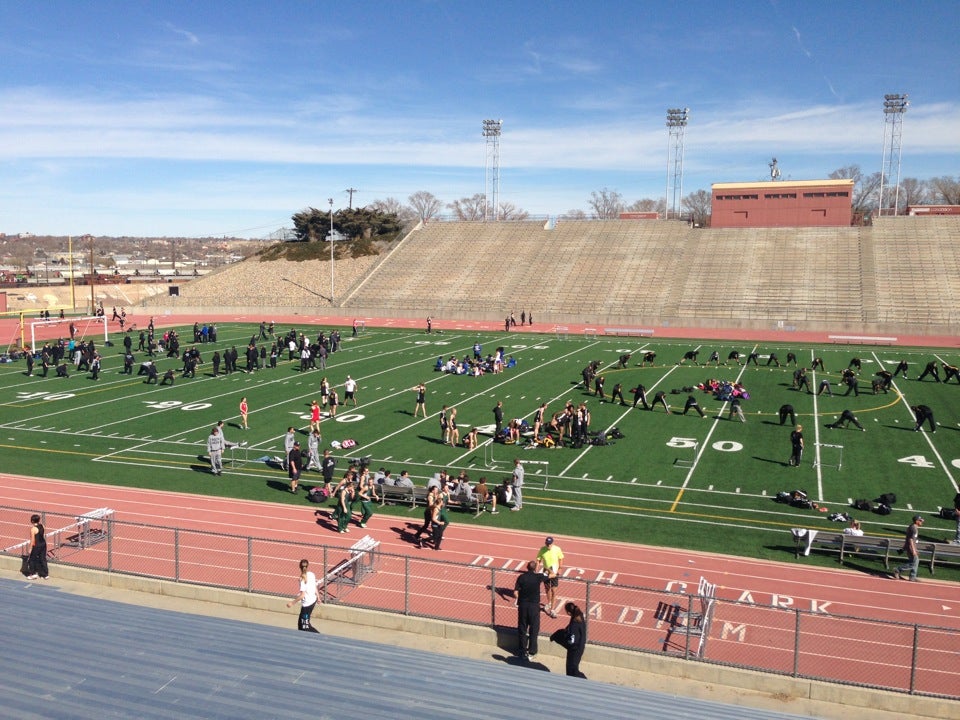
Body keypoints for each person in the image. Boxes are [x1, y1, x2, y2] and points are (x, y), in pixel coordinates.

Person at [551, 602, 587, 678]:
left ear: (568, 613)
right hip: (580, 646)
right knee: (572, 668)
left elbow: (572, 640)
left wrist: (564, 641)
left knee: (572, 670)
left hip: (575, 649)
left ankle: (583, 679)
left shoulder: (574, 623)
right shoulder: (579, 615)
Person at [514, 560, 542, 661]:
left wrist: (519, 599)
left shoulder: (521, 577)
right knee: (534, 630)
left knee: (522, 628)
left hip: (523, 606)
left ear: (526, 567)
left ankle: (522, 651)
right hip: (534, 607)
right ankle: (532, 652)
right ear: (535, 568)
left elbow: (515, 592)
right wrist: (549, 569)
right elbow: (551, 575)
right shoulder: (538, 577)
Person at [286, 559, 320, 632]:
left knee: (305, 626)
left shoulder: (302, 579)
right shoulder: (311, 574)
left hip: (307, 605)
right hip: (313, 600)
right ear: (308, 566)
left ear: (299, 567)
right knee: (301, 624)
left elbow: (302, 595)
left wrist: (292, 603)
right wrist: (319, 598)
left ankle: (318, 636)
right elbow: (314, 586)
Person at [536, 536, 564, 618]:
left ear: (553, 543)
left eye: (550, 544)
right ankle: (549, 603)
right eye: (547, 544)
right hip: (546, 571)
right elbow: (538, 560)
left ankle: (552, 609)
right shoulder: (542, 549)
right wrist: (535, 570)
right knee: (547, 588)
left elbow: (561, 558)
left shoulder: (557, 549)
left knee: (554, 590)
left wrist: (560, 568)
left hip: (554, 571)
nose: (548, 546)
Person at [894, 515, 924, 582]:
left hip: (910, 547)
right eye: (920, 521)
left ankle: (912, 577)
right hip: (911, 548)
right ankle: (898, 569)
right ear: (916, 521)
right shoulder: (914, 529)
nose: (922, 522)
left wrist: (904, 548)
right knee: (914, 563)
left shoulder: (912, 527)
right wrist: (913, 550)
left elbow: (908, 539)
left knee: (916, 561)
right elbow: (910, 540)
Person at [26, 514, 48, 580]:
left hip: (37, 545)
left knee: (31, 560)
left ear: (32, 521)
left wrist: (30, 548)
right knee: (43, 559)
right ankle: (45, 574)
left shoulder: (33, 529)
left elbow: (32, 539)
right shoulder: (42, 526)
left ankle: (33, 574)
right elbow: (43, 534)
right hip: (43, 544)